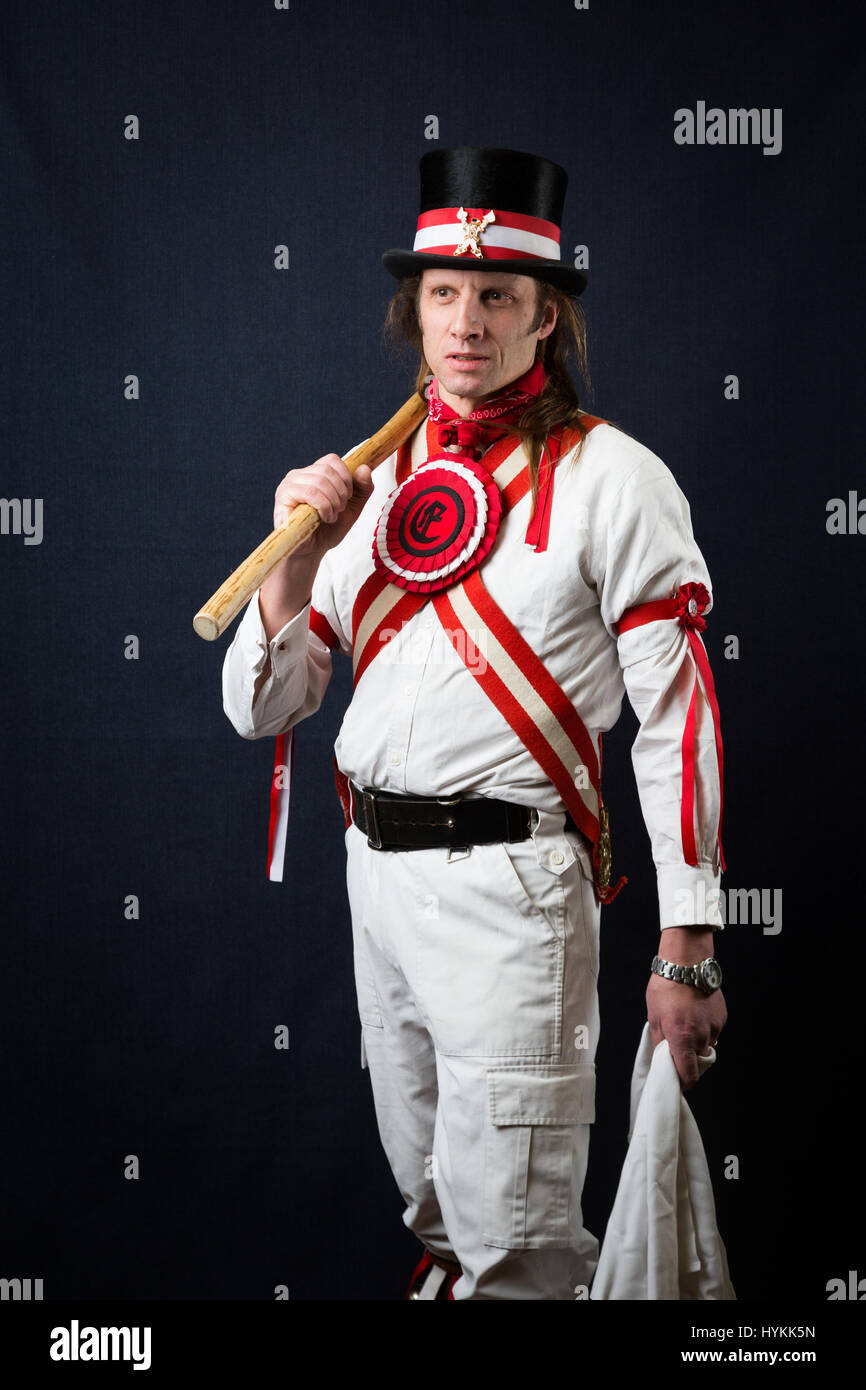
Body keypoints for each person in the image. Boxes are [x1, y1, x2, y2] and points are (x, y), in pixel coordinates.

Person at [221, 147, 727, 1301]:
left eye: (496, 295)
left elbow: (675, 711)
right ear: (416, 311)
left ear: (544, 317)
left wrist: (686, 939)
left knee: (515, 1243)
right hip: (375, 884)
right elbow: (266, 706)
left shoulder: (615, 480)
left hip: (515, 896)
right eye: (443, 294)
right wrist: (291, 564)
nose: (466, 322)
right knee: (437, 1218)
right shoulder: (369, 482)